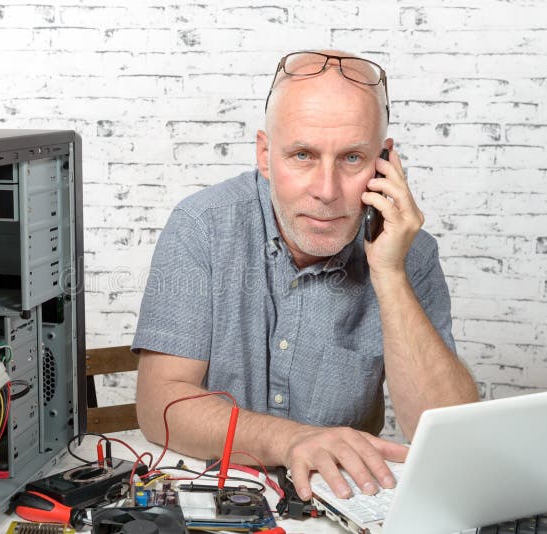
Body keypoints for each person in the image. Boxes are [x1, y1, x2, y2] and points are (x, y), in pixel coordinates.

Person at [132, 50, 479, 502]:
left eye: (353, 158)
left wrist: (390, 273)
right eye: (302, 155)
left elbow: (451, 435)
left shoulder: (409, 250)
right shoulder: (202, 226)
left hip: (338, 502)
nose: (327, 191)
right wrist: (291, 440)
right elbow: (159, 405)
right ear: (264, 153)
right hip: (212, 496)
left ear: (385, 163)